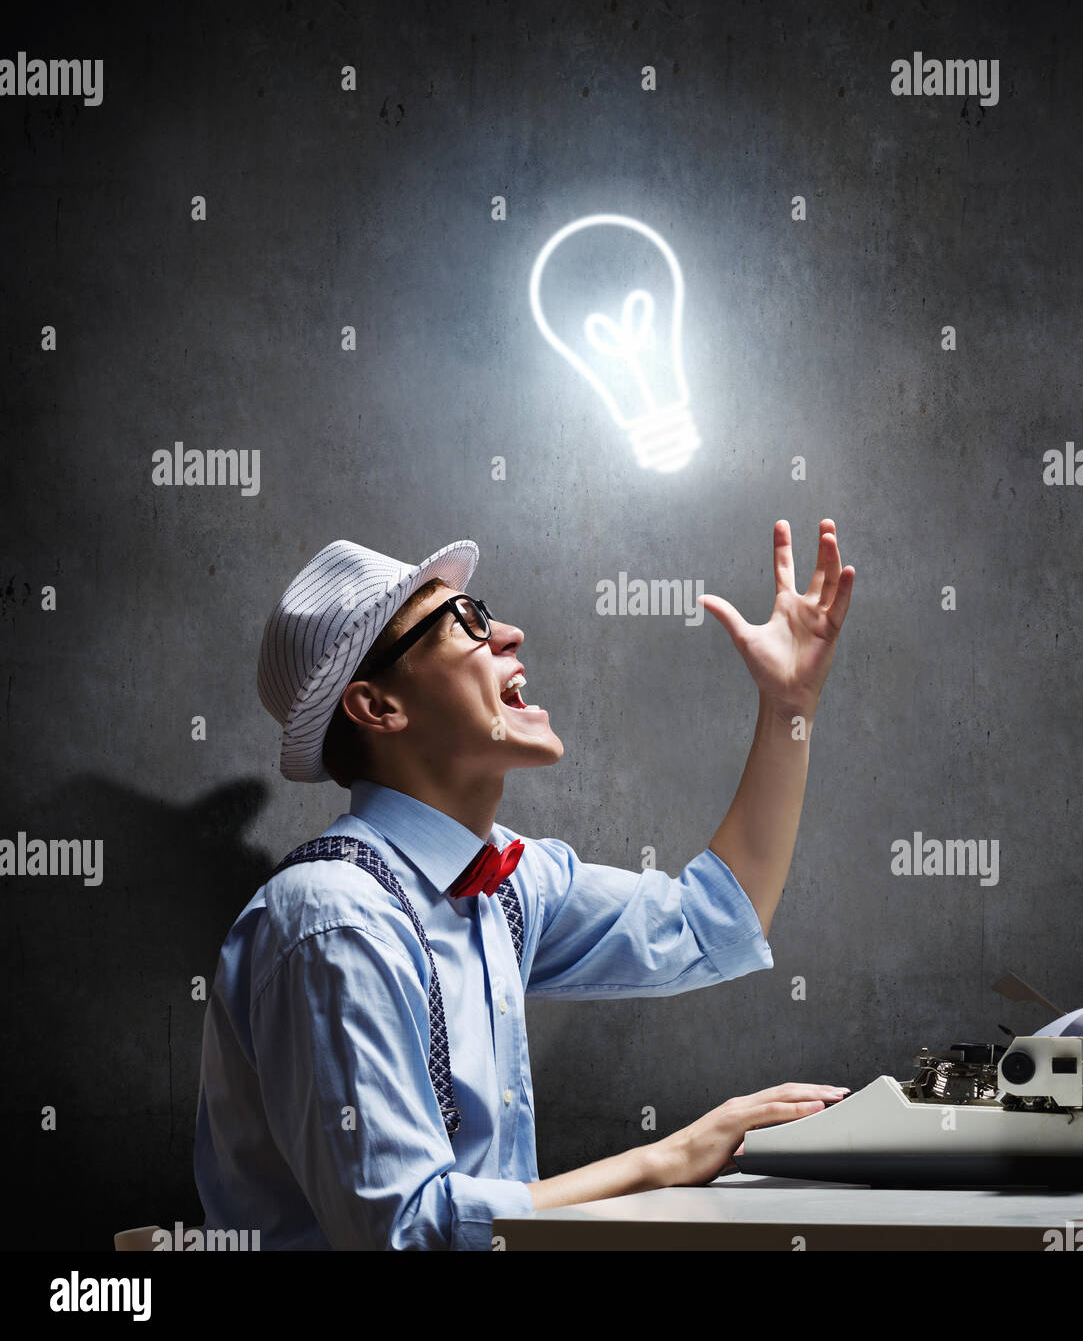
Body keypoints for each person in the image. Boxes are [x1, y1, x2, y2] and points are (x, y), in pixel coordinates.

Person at [194, 518, 855, 1249]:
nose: (508, 634)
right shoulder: (334, 918)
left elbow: (712, 923)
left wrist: (789, 707)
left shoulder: (512, 878)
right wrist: (667, 1160)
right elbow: (405, 1236)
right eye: (466, 621)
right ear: (379, 707)